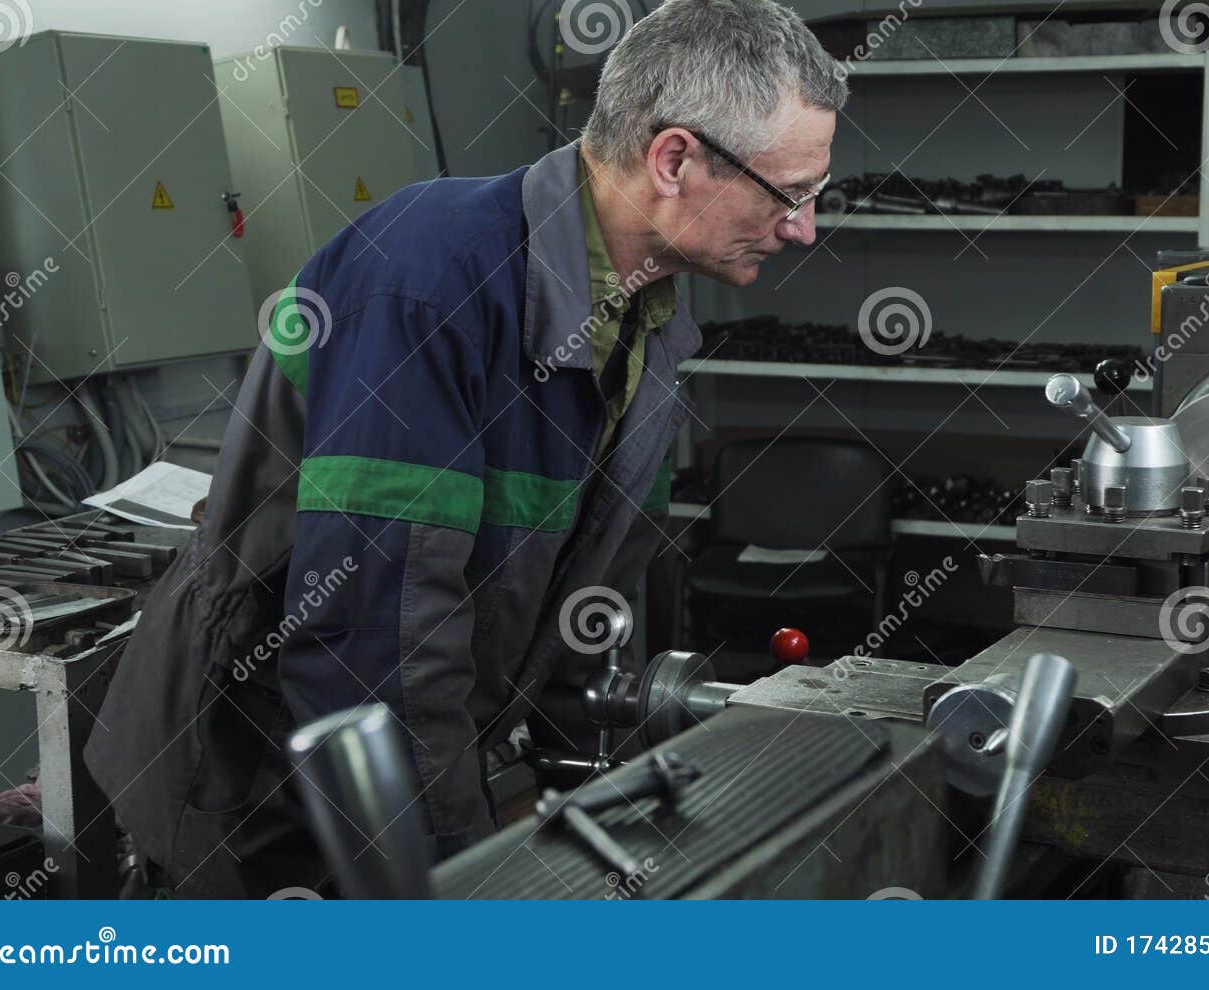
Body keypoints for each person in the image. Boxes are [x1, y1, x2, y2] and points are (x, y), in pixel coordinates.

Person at [83, 0, 846, 898]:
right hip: (262, 791)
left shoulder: (650, 318)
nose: (803, 228)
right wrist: (459, 881)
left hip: (421, 764)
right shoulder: (429, 278)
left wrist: (584, 791)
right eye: (788, 194)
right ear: (674, 160)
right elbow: (372, 643)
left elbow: (585, 589)